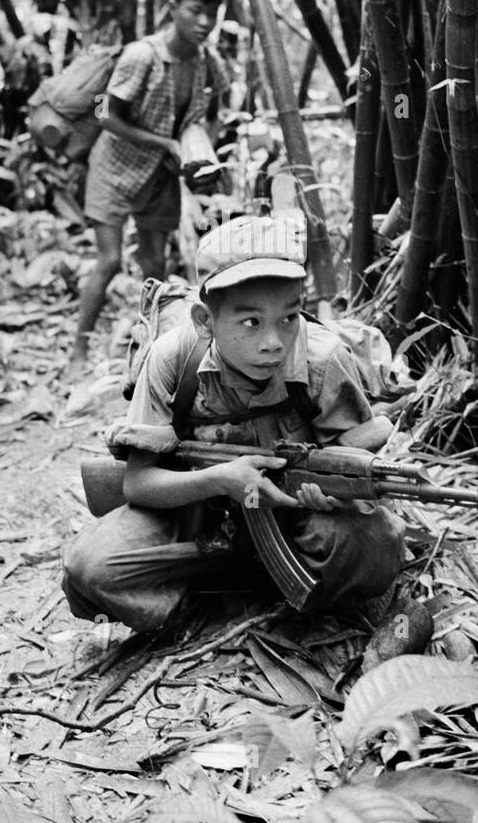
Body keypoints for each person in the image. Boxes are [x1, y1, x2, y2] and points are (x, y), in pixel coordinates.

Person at [62, 216, 408, 630]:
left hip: (292, 519)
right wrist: (220, 480)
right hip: (193, 516)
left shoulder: (324, 359)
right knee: (90, 568)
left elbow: (351, 468)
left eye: (289, 317)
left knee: (378, 546)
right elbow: (138, 483)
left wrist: (334, 497)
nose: (274, 341)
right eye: (251, 322)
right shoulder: (172, 359)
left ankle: (260, 587)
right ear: (205, 321)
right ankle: (207, 599)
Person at [68, 0, 228, 374]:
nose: (205, 22)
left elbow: (213, 114)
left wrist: (198, 145)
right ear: (172, 8)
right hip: (114, 169)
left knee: (155, 266)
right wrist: (165, 143)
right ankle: (78, 354)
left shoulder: (208, 62)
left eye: (212, 13)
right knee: (109, 261)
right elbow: (104, 112)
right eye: (195, 11)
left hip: (160, 175)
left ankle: (151, 353)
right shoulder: (142, 55)